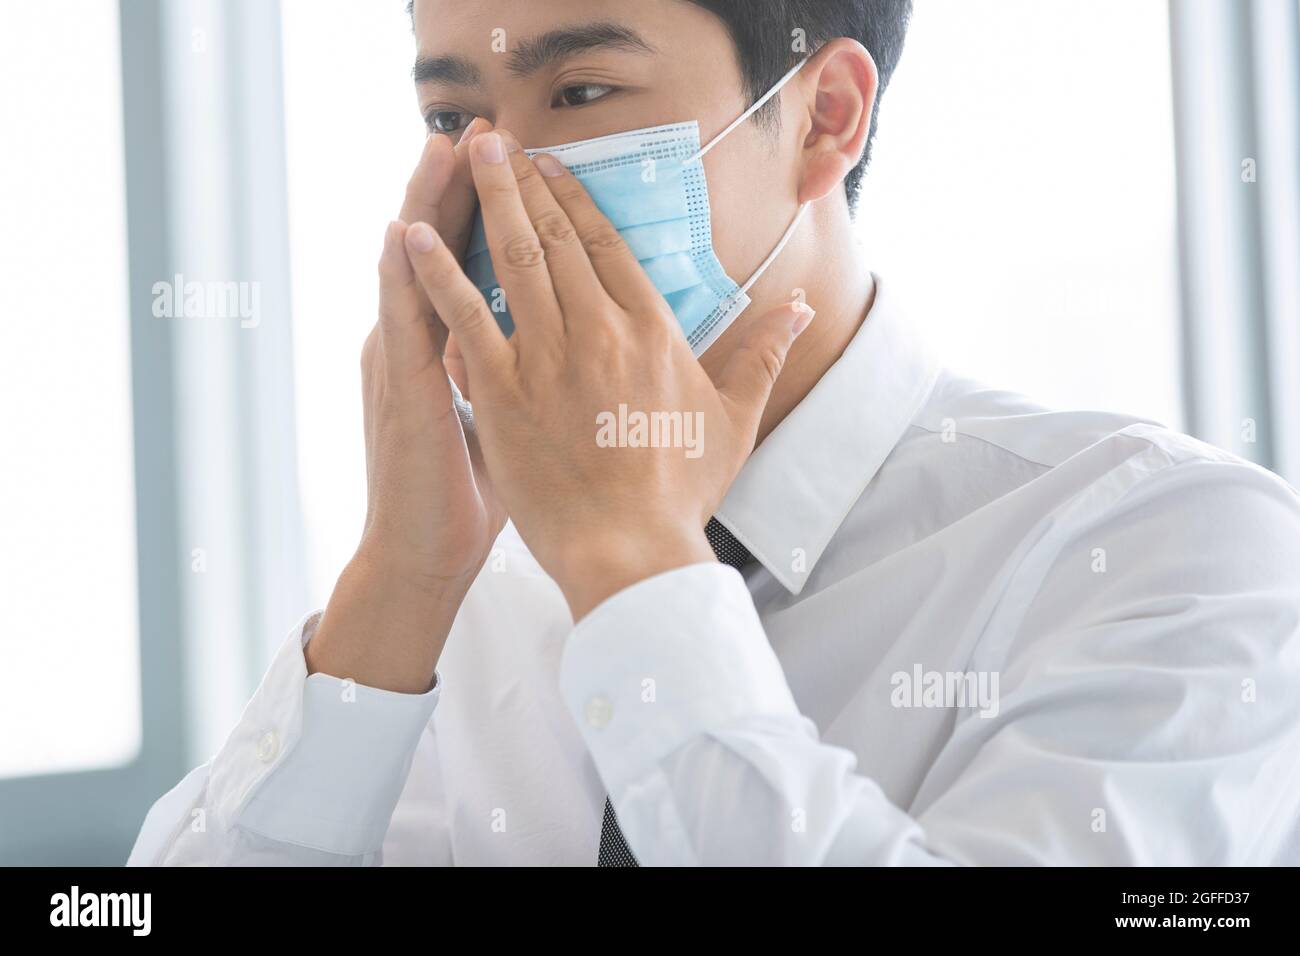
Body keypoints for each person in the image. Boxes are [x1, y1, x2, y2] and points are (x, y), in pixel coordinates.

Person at [128, 0, 1300, 866]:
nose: (499, 172)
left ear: (822, 119)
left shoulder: (1180, 552)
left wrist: (635, 565)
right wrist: (396, 585)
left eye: (581, 93)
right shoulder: (456, 599)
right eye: (452, 114)